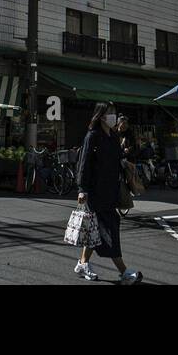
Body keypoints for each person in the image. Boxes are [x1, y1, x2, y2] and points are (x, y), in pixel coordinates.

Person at [74, 102, 142, 284]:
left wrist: (125, 161)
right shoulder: (93, 136)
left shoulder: (113, 135)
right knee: (108, 229)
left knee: (95, 230)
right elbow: (84, 163)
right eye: (111, 113)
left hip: (111, 191)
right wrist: (82, 189)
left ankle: (82, 263)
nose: (114, 116)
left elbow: (118, 157)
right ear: (102, 116)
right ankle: (124, 272)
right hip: (95, 192)